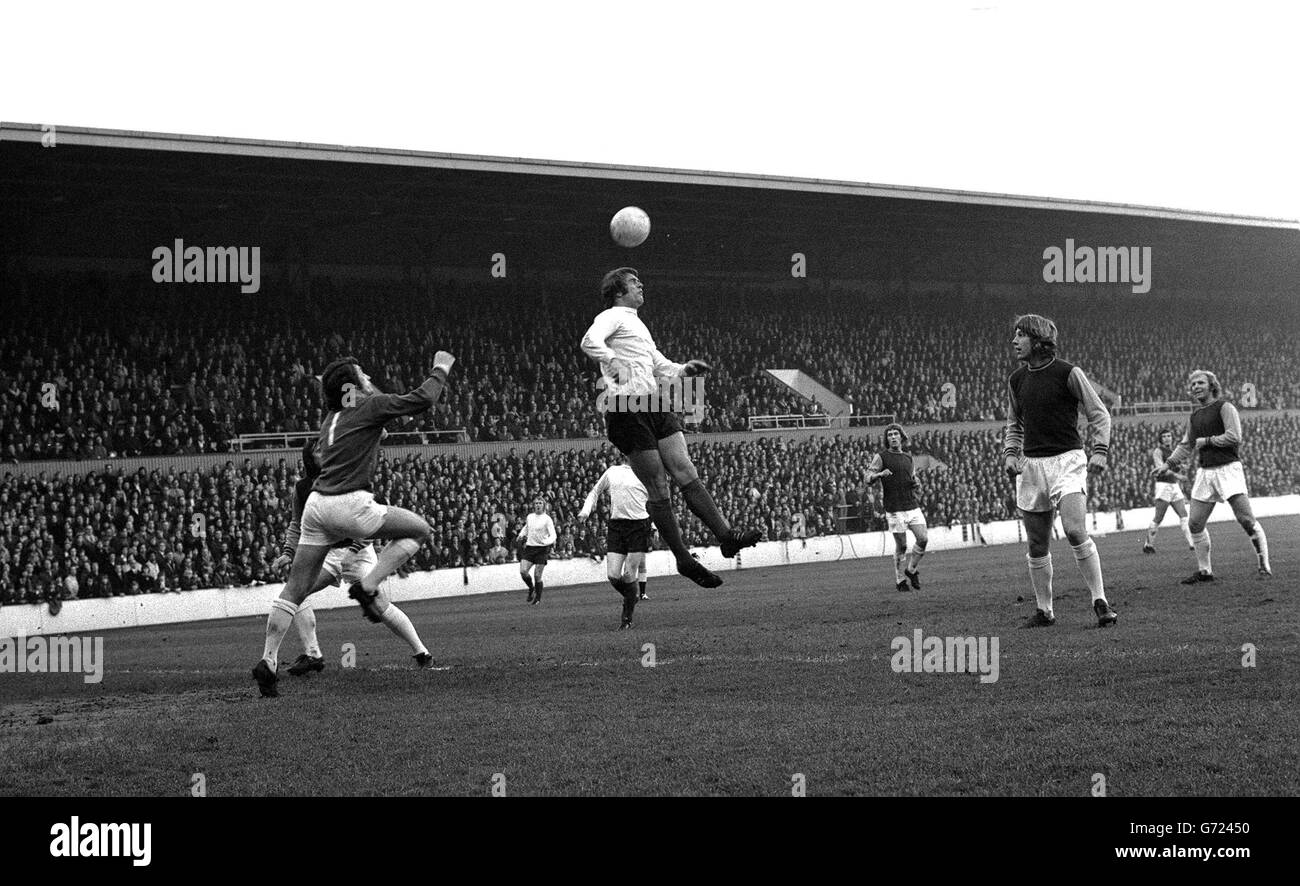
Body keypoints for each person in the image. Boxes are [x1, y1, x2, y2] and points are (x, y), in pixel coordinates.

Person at [252, 353, 455, 698]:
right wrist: (441, 368)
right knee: (420, 529)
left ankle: (268, 660)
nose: (368, 376)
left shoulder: (331, 419)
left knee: (294, 589)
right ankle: (368, 586)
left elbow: (341, 394)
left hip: (317, 507)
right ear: (354, 385)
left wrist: (324, 378)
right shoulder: (369, 406)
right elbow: (423, 399)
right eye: (363, 374)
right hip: (350, 505)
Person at [580, 268, 761, 588]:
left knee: (686, 470)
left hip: (654, 403)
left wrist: (683, 369)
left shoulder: (636, 322)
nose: (641, 285)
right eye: (633, 282)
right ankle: (683, 558)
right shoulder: (611, 316)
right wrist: (612, 360)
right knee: (658, 486)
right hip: (626, 408)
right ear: (619, 292)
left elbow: (656, 362)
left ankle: (726, 536)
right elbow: (588, 341)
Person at [268, 439, 435, 678]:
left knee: (380, 606)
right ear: (309, 458)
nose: (324, 453)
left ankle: (422, 652)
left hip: (359, 551)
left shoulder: (347, 479)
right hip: (327, 553)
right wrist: (287, 553)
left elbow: (373, 515)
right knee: (295, 592)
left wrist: (354, 550)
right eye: (318, 451)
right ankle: (312, 654)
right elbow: (297, 524)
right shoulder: (303, 488)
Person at [1002, 315, 1118, 629]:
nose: (1014, 341)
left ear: (1038, 340)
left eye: (1020, 335)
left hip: (1067, 460)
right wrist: (1011, 453)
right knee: (1037, 544)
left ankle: (1100, 601)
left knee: (1075, 530)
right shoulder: (1016, 380)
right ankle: (1045, 611)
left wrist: (1100, 450)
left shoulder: (1068, 373)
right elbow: (1014, 424)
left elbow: (1099, 414)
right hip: (1032, 466)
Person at [1152, 369, 1271, 583]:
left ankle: (1264, 564)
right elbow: (1186, 445)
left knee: (1245, 519)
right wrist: (1167, 465)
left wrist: (1207, 441)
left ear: (1212, 385)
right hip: (1205, 472)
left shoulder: (1225, 407)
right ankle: (1205, 571)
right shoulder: (1195, 416)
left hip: (1228, 469)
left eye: (1200, 383)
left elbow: (1235, 436)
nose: (1196, 387)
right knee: (1194, 523)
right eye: (1193, 384)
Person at [578, 454, 652, 629]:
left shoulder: (646, 473)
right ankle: (631, 596)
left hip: (638, 526)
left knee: (629, 574)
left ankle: (626, 618)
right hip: (617, 526)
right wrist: (585, 511)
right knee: (612, 575)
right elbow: (595, 491)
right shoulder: (612, 471)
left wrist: (654, 525)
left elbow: (657, 502)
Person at [865, 423, 929, 592]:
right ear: (887, 439)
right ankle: (900, 580)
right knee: (902, 546)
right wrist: (880, 474)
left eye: (895, 434)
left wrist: (916, 483)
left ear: (901, 437)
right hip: (894, 508)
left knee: (923, 539)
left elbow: (913, 478)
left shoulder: (908, 458)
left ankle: (911, 570)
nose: (893, 437)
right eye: (890, 435)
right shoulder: (881, 457)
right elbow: (867, 477)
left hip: (911, 505)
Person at [1143, 429, 1194, 554]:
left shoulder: (1173, 452)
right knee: (1159, 517)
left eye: (1169, 436)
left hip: (1174, 486)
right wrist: (1178, 476)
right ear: (1160, 439)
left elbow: (1174, 467)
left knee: (1183, 514)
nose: (1167, 438)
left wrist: (1181, 467)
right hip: (1163, 486)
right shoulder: (1158, 451)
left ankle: (1192, 544)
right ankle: (1148, 545)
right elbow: (1161, 468)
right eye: (1164, 436)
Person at [517, 497, 556, 604]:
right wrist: (521, 535)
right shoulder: (530, 517)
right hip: (530, 548)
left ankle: (537, 599)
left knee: (537, 575)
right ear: (533, 505)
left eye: (540, 503)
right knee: (523, 571)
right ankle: (531, 588)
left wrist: (546, 542)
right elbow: (526, 527)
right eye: (536, 503)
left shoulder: (547, 519)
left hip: (542, 549)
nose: (538, 505)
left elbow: (553, 535)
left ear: (544, 505)